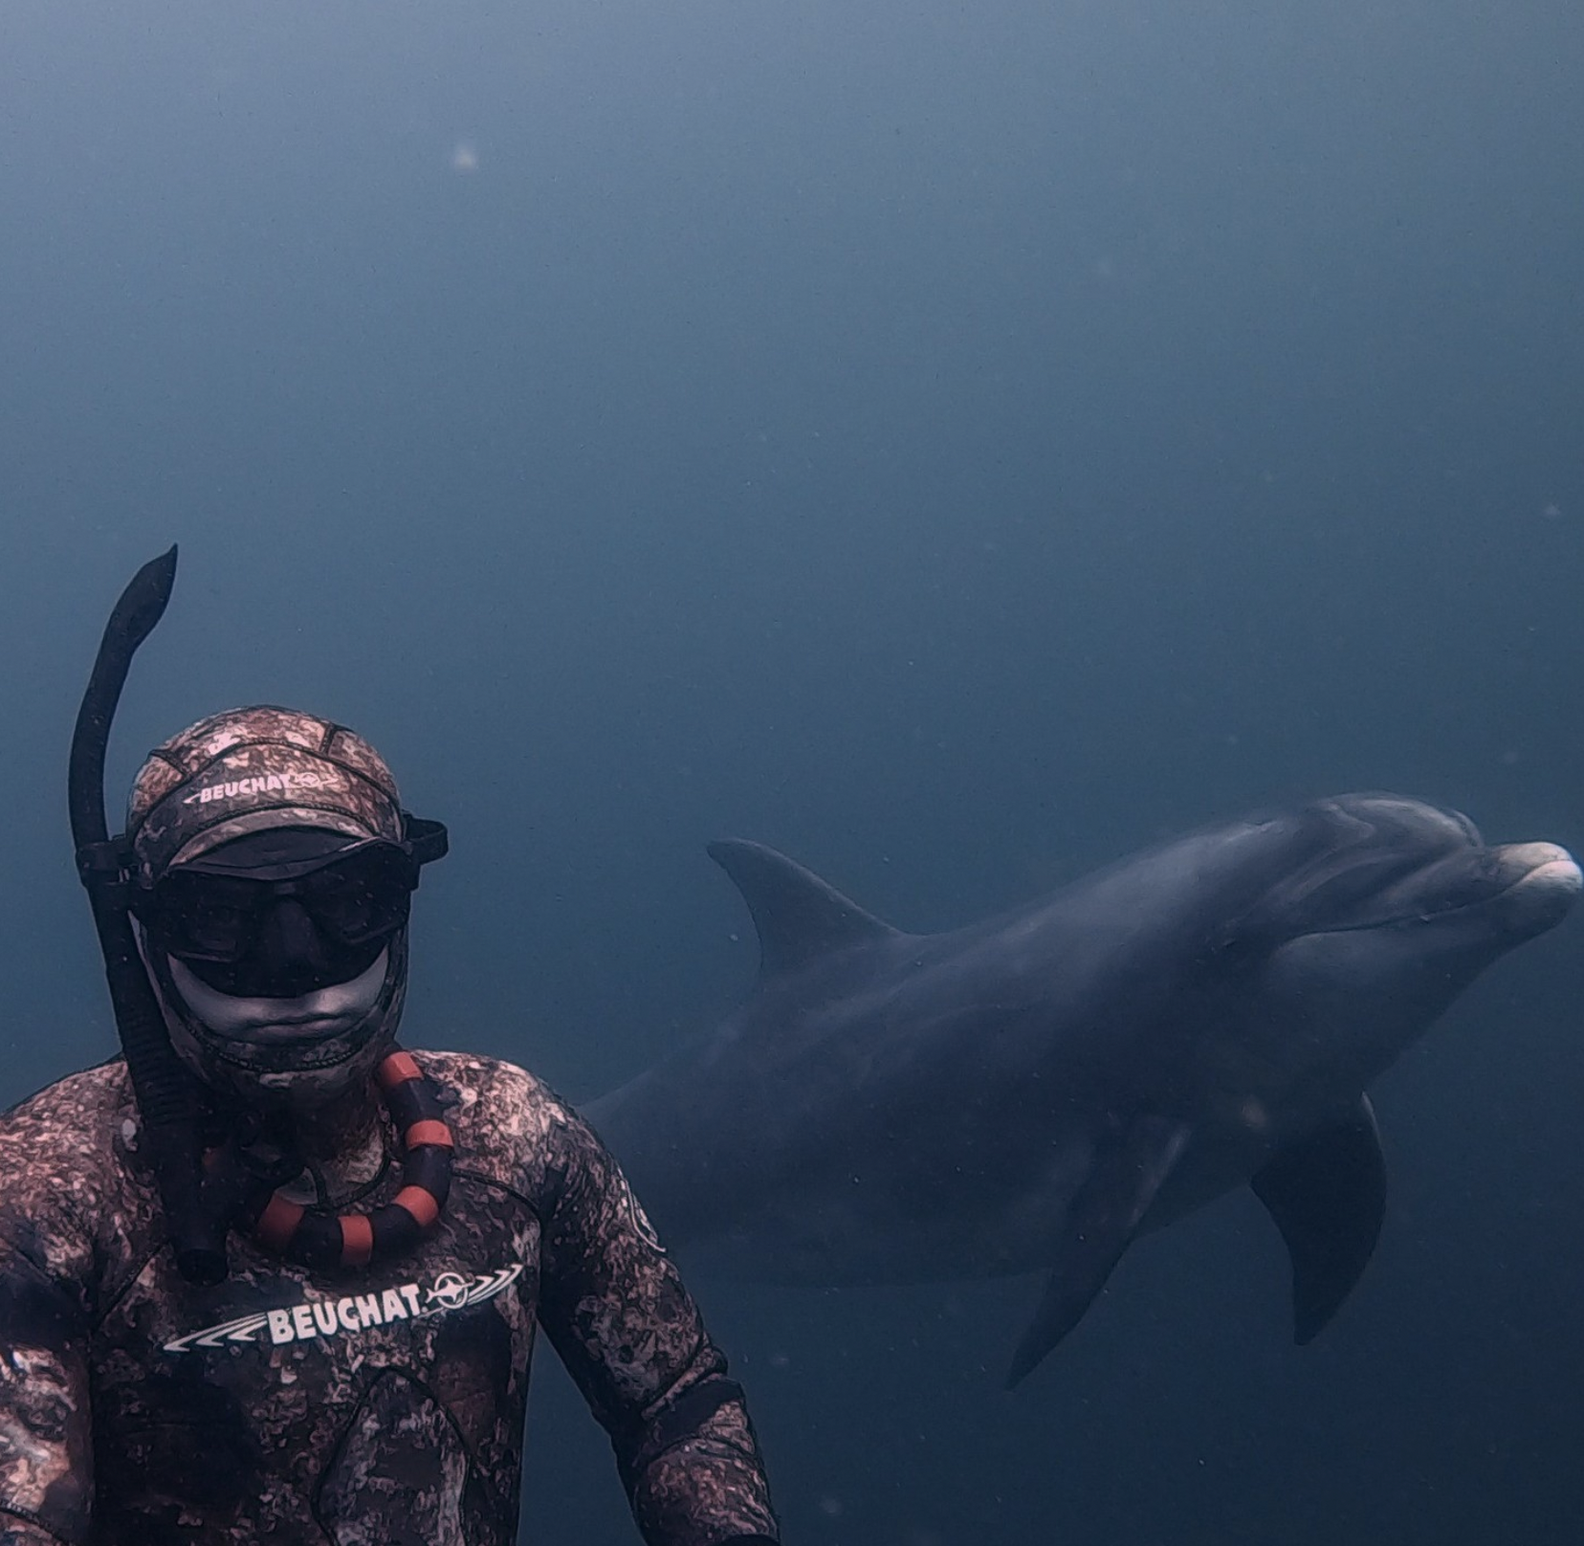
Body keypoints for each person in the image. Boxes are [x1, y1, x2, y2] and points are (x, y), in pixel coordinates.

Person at [0, 554, 779, 1545]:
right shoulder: (49, 1194)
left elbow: (676, 1402)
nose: (293, 966)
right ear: (144, 929)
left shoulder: (510, 1131)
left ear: (401, 898)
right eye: (219, 917)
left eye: (345, 905)